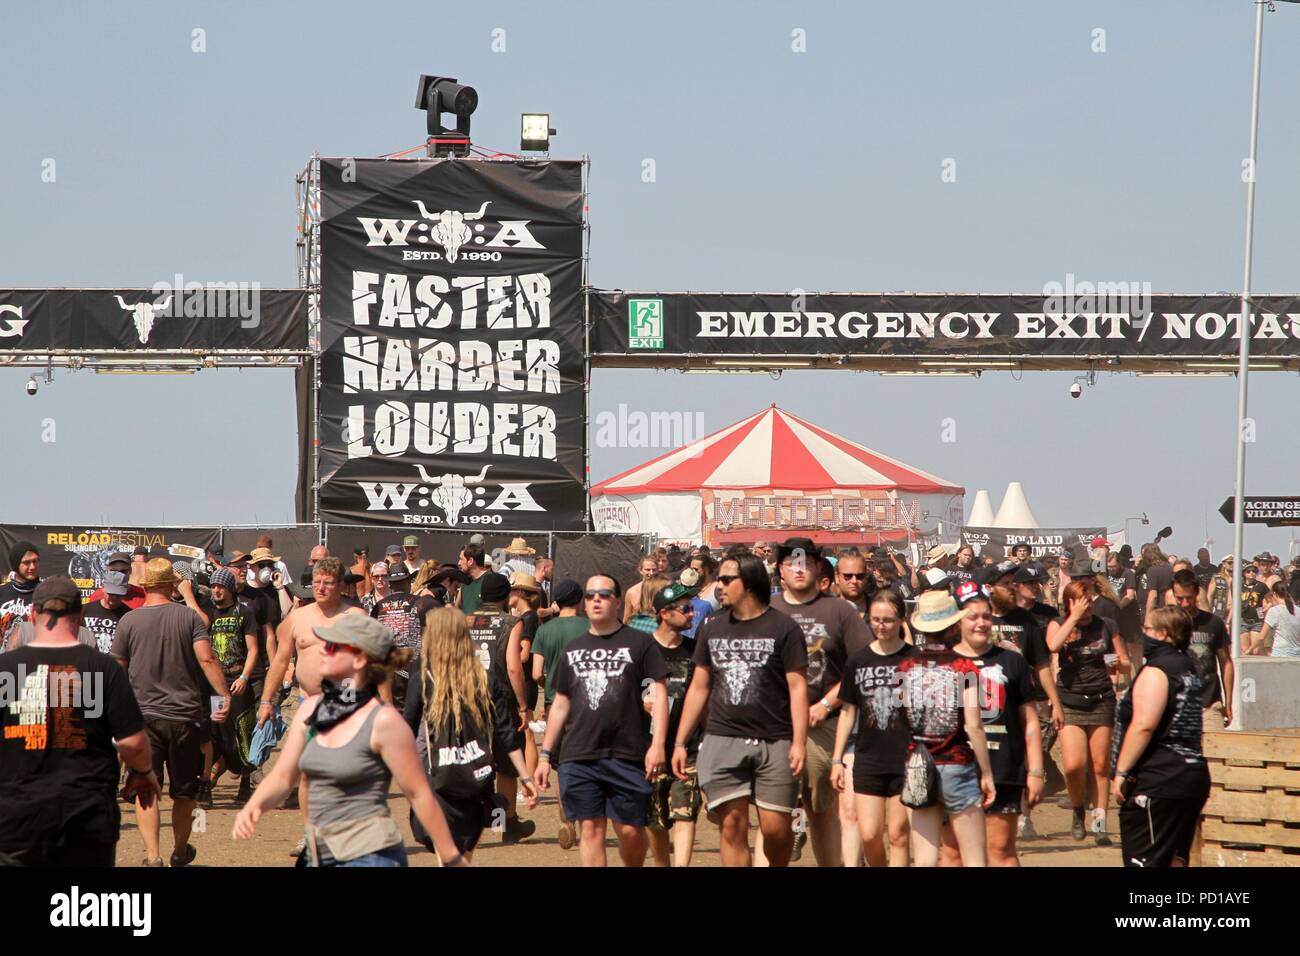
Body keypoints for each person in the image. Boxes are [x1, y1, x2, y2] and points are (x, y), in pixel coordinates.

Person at [233, 615, 465, 866]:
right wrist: (254, 806)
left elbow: (419, 794)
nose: (323, 651)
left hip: (371, 855)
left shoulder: (384, 721)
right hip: (320, 853)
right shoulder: (311, 710)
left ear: (359, 659)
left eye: (333, 647)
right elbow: (282, 777)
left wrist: (451, 855)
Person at [0, 577, 160, 866]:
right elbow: (133, 743)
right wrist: (143, 772)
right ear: (80, 615)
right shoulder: (104, 668)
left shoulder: (5, 668)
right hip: (86, 817)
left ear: (34, 615)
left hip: (17, 820)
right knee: (82, 910)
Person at [671, 552, 809, 867]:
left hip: (775, 739)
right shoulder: (712, 627)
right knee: (732, 826)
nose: (718, 585)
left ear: (748, 583)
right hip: (723, 738)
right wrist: (681, 741)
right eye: (718, 578)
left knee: (775, 830)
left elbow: (798, 688)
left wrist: (799, 741)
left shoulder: (784, 628)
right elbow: (699, 687)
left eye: (726, 579)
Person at [532, 574, 669, 867]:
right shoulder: (573, 648)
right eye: (591, 595)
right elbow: (560, 704)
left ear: (618, 602)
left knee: (631, 831)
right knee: (591, 831)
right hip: (579, 754)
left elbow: (659, 695)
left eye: (604, 594)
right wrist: (545, 755)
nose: (596, 599)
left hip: (628, 753)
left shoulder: (640, 643)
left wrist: (658, 744)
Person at [111, 558, 232, 867]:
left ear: (146, 586)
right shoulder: (189, 618)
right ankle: (180, 848)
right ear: (171, 585)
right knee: (184, 791)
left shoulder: (129, 622)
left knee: (146, 788)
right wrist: (223, 694)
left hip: (143, 718)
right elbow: (206, 661)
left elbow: (117, 669)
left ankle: (153, 856)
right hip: (185, 717)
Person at [404, 607, 538, 861]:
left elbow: (406, 729)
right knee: (463, 854)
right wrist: (525, 777)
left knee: (449, 857)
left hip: (437, 776)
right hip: (476, 775)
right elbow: (505, 733)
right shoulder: (484, 678)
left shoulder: (424, 677)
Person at [771, 536, 871, 867]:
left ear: (818, 568)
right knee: (772, 814)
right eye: (791, 563)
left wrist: (827, 704)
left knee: (821, 810)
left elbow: (865, 665)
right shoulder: (767, 610)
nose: (799, 569)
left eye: (806, 562)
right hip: (775, 726)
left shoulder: (839, 610)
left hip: (824, 725)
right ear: (780, 571)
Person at [895, 590, 995, 867]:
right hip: (957, 763)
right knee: (975, 857)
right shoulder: (964, 667)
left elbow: (902, 717)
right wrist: (986, 772)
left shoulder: (905, 666)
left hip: (917, 762)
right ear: (953, 626)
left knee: (925, 858)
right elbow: (974, 726)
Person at [1110, 606, 1211, 867]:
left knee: (1145, 862)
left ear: (1163, 634)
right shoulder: (1188, 667)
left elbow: (1144, 725)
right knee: (1175, 860)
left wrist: (1121, 771)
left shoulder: (1158, 670)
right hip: (1190, 776)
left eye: (1147, 629)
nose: (1144, 635)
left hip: (1160, 779)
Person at [951, 586, 1043, 866]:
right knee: (953, 853)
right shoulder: (943, 662)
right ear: (958, 621)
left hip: (1004, 765)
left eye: (986, 616)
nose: (981, 623)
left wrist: (1036, 770)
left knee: (1000, 850)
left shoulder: (1011, 661)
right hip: (953, 769)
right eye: (972, 617)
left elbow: (1029, 720)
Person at [830, 590, 914, 867]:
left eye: (888, 620)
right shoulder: (858, 660)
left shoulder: (915, 659)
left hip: (906, 758)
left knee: (899, 836)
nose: (881, 625)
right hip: (867, 758)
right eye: (875, 619)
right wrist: (837, 759)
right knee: (869, 834)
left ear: (901, 620)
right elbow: (847, 710)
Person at [1047, 578, 1128, 847]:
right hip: (1070, 701)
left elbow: (1125, 663)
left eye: (1091, 600)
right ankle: (1078, 810)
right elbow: (1053, 646)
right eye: (1083, 601)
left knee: (1100, 765)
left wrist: (1113, 663)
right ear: (1070, 602)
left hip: (1101, 698)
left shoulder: (1107, 626)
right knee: (1073, 766)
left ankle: (1100, 823)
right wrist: (1074, 618)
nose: (1089, 606)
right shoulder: (1058, 624)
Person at [984, 561, 1062, 837]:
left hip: (1022, 699)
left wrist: (1056, 702)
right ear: (990, 588)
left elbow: (1041, 664)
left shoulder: (1025, 620)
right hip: (986, 704)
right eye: (1006, 584)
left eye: (1012, 583)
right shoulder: (978, 618)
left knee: (1025, 757)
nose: (1012, 589)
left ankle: (1023, 817)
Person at [464, 571, 535, 843]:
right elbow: (514, 667)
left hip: (469, 695)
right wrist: (523, 704)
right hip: (501, 699)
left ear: (481, 596)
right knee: (506, 763)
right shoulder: (511, 622)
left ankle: (468, 818)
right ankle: (503, 824)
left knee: (472, 759)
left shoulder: (466, 620)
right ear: (507, 596)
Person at [645, 579, 703, 867]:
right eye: (686, 609)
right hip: (649, 748)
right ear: (665, 613)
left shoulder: (696, 651)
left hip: (689, 747)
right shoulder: (641, 650)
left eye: (692, 608)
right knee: (655, 819)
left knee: (685, 811)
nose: (692, 613)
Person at [530, 578, 587, 849]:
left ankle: (567, 821)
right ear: (580, 601)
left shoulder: (545, 631)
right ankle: (588, 819)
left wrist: (549, 685)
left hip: (556, 704)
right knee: (590, 761)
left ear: (557, 603)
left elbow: (535, 673)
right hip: (590, 703)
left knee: (562, 764)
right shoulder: (591, 627)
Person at [197, 567, 260, 805]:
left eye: (220, 586)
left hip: (237, 682)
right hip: (215, 683)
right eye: (213, 586)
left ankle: (245, 782)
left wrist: (244, 677)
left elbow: (253, 649)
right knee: (215, 735)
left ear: (230, 589)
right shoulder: (209, 613)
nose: (216, 590)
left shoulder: (244, 612)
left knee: (242, 732)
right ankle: (207, 786)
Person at [1168, 570, 1235, 731]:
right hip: (1176, 706)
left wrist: (1229, 702)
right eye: (1180, 598)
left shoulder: (1213, 623)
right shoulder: (1167, 624)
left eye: (1189, 598)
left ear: (1197, 593)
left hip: (1210, 705)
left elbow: (1226, 663)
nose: (1184, 603)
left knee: (1215, 755)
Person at [368, 563, 438, 710]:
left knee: (391, 713)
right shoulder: (421, 603)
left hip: (388, 670)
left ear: (391, 584)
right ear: (408, 582)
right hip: (416, 669)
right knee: (415, 714)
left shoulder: (379, 606)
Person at [507, 572, 545, 775]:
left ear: (520, 592)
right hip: (527, 682)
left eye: (511, 590)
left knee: (528, 733)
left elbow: (523, 655)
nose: (508, 594)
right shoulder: (527, 617)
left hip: (526, 682)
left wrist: (507, 654)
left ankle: (528, 779)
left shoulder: (528, 618)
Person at [0, 541, 40, 649]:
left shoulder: (47, 593)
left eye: (35, 561)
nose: (32, 567)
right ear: (16, 564)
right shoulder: (2, 592)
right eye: (26, 563)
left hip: (35, 661)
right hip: (6, 662)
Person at [81, 569, 132, 653]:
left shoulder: (128, 615)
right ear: (102, 587)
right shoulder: (85, 609)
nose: (114, 598)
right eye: (111, 593)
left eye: (119, 594)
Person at [1106, 551, 1141, 663]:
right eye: (1109, 567)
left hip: (1128, 616)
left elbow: (1130, 595)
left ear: (1120, 563)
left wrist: (1118, 607)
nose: (1111, 569)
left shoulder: (1128, 573)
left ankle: (1137, 674)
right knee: (1113, 646)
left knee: (1133, 646)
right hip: (1111, 617)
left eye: (1114, 566)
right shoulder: (1106, 575)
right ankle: (1118, 677)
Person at [1257, 580, 1300, 658]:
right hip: (1297, 654)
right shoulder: (1298, 610)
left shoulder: (1274, 611)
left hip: (1280, 654)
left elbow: (1261, 637)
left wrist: (1250, 650)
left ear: (1274, 594)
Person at [1236, 563, 1270, 652]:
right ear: (1244, 573)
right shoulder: (1238, 586)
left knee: (1256, 650)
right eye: (1248, 571)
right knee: (1245, 649)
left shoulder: (1262, 586)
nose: (1252, 573)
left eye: (1254, 571)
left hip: (1257, 620)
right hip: (1243, 619)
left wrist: (1265, 609)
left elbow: (1271, 601)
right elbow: (1234, 602)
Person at [622, 555, 660, 625]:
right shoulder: (631, 592)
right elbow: (626, 619)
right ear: (640, 570)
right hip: (638, 632)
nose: (651, 573)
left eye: (654, 570)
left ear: (658, 570)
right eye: (647, 570)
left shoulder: (664, 589)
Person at [456, 543, 491, 614]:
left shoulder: (491, 581)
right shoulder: (465, 583)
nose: (459, 563)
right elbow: (457, 608)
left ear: (471, 561)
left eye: (461, 559)